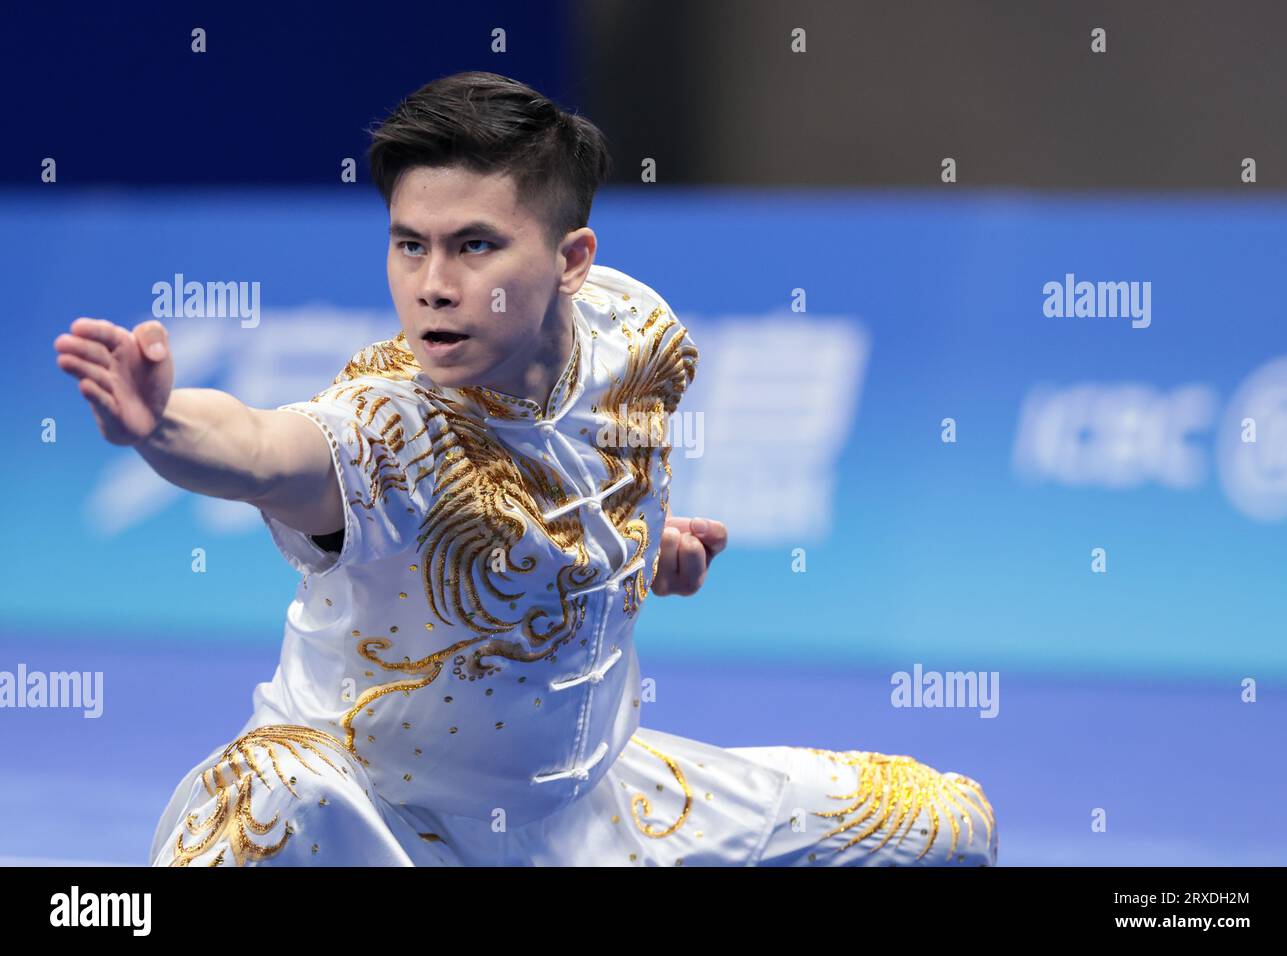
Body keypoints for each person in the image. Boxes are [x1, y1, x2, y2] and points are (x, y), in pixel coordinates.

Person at [53, 71, 997, 867]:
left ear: (573, 259)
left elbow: (575, 482)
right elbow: (262, 448)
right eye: (408, 243)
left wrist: (635, 547)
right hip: (378, 824)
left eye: (475, 245)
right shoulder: (392, 426)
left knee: (947, 828)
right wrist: (160, 424)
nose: (433, 282)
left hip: (592, 819)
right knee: (258, 793)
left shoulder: (639, 336)